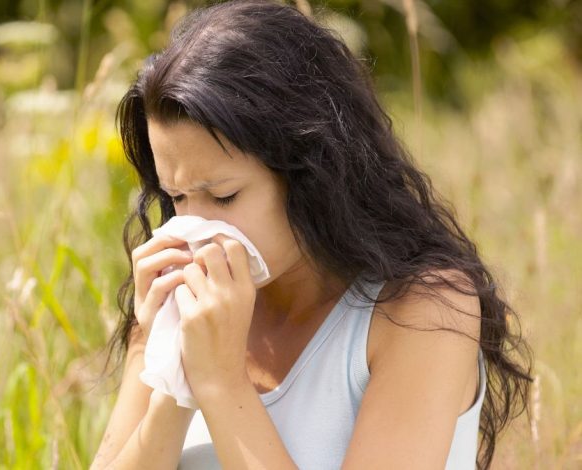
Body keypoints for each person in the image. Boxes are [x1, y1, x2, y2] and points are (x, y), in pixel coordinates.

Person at [91, 1, 532, 468]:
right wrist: (175, 382)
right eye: (177, 197)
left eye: (223, 197)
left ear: (312, 174)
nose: (193, 230)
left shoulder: (422, 311)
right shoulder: (173, 304)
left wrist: (221, 382)